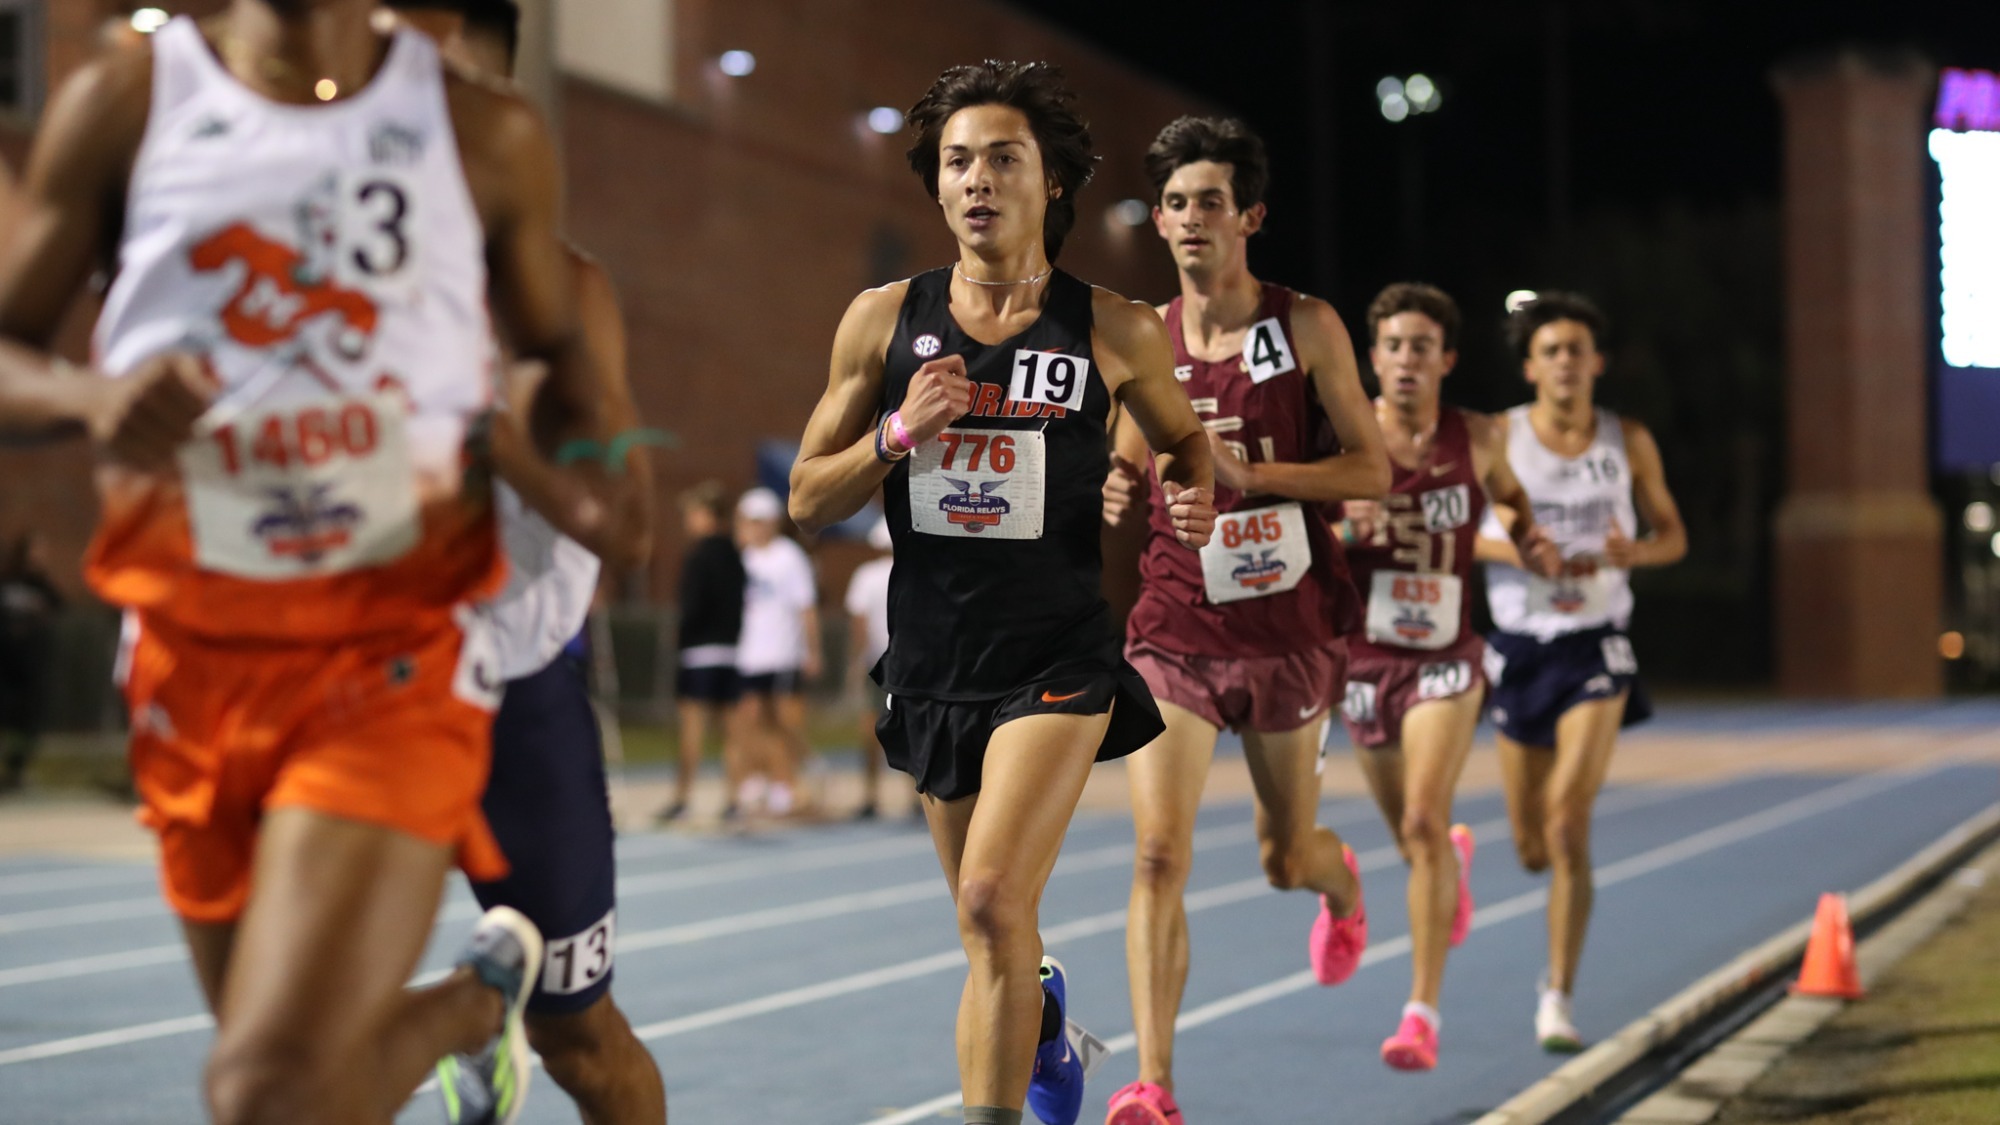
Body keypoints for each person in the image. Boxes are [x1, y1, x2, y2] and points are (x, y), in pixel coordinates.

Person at [0, 1, 643, 1120]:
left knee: (273, 1087)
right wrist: (92, 397)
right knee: (291, 1082)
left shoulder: (483, 144)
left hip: (400, 662)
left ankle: (479, 1007)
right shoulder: (129, 100)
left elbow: (602, 462)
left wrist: (542, 461)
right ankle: (472, 1003)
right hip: (193, 664)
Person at [788, 61, 1216, 1125]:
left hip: (1057, 657)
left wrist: (1189, 492)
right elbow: (806, 496)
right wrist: (897, 433)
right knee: (990, 936)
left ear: (1050, 181)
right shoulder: (881, 320)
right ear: (937, 186)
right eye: (957, 162)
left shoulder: (1113, 327)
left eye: (1002, 158)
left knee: (990, 901)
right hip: (934, 663)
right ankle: (1043, 1017)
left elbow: (1183, 442)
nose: (976, 178)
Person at [380, 3, 668, 1122]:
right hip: (360, 689)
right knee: (294, 1042)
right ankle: (466, 1010)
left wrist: (501, 446)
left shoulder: (562, 294)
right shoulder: (313, 268)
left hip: (516, 697)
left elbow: (629, 531)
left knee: (580, 1039)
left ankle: (487, 1007)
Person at [1099, 116, 1388, 1125]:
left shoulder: (1306, 325)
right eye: (1175, 204)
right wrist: (1115, 482)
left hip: (1286, 628)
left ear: (1250, 216)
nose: (1190, 220)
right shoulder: (1141, 332)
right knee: (1156, 854)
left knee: (1282, 856)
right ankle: (1154, 1084)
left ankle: (1338, 886)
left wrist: (1252, 476)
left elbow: (1369, 467)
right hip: (1173, 624)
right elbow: (1128, 445)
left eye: (1209, 202)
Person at [1337, 282, 1560, 1072]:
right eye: (1394, 346)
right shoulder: (1342, 432)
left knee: (1425, 818)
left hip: (1446, 657)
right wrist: (1344, 526)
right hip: (1365, 660)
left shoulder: (1481, 436)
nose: (1407, 360)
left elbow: (1514, 502)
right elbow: (1297, 526)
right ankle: (1447, 869)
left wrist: (1531, 540)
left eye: (1422, 347)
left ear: (1447, 359)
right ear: (1374, 357)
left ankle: (1421, 1012)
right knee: (1411, 836)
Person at [1474, 291, 1686, 1052]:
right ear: (1530, 367)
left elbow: (1673, 536)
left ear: (1597, 362)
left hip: (1598, 642)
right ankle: (1528, 882)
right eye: (1551, 351)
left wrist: (1639, 551)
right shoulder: (1497, 436)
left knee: (1568, 820)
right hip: (1521, 645)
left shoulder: (1628, 439)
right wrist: (1522, 550)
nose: (1565, 361)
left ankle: (1558, 996)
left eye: (1576, 350)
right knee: (1532, 844)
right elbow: (1460, 533)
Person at [660, 479, 746, 822]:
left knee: (692, 729)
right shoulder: (736, 555)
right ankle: (734, 800)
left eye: (692, 513)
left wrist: (681, 635)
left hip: (699, 653)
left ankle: (682, 798)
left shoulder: (697, 556)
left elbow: (692, 607)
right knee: (731, 733)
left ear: (708, 515)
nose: (688, 521)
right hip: (731, 652)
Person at [731, 485, 819, 817]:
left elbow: (805, 607)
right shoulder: (742, 558)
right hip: (749, 655)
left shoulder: (788, 556)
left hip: (782, 654)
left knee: (785, 724)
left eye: (759, 521)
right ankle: (763, 780)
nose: (753, 528)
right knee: (751, 722)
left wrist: (812, 650)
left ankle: (789, 784)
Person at [0, 532, 64, 792]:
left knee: (27, 719)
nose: (40, 556)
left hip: (32, 664)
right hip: (5, 663)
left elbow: (60, 607)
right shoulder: (7, 582)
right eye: (35, 550)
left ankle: (16, 770)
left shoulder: (41, 586)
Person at [844, 516, 898, 818]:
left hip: (876, 662)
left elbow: (859, 625)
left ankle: (870, 794)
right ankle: (916, 796)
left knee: (871, 727)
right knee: (912, 726)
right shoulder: (911, 571)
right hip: (907, 662)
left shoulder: (866, 576)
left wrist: (856, 662)